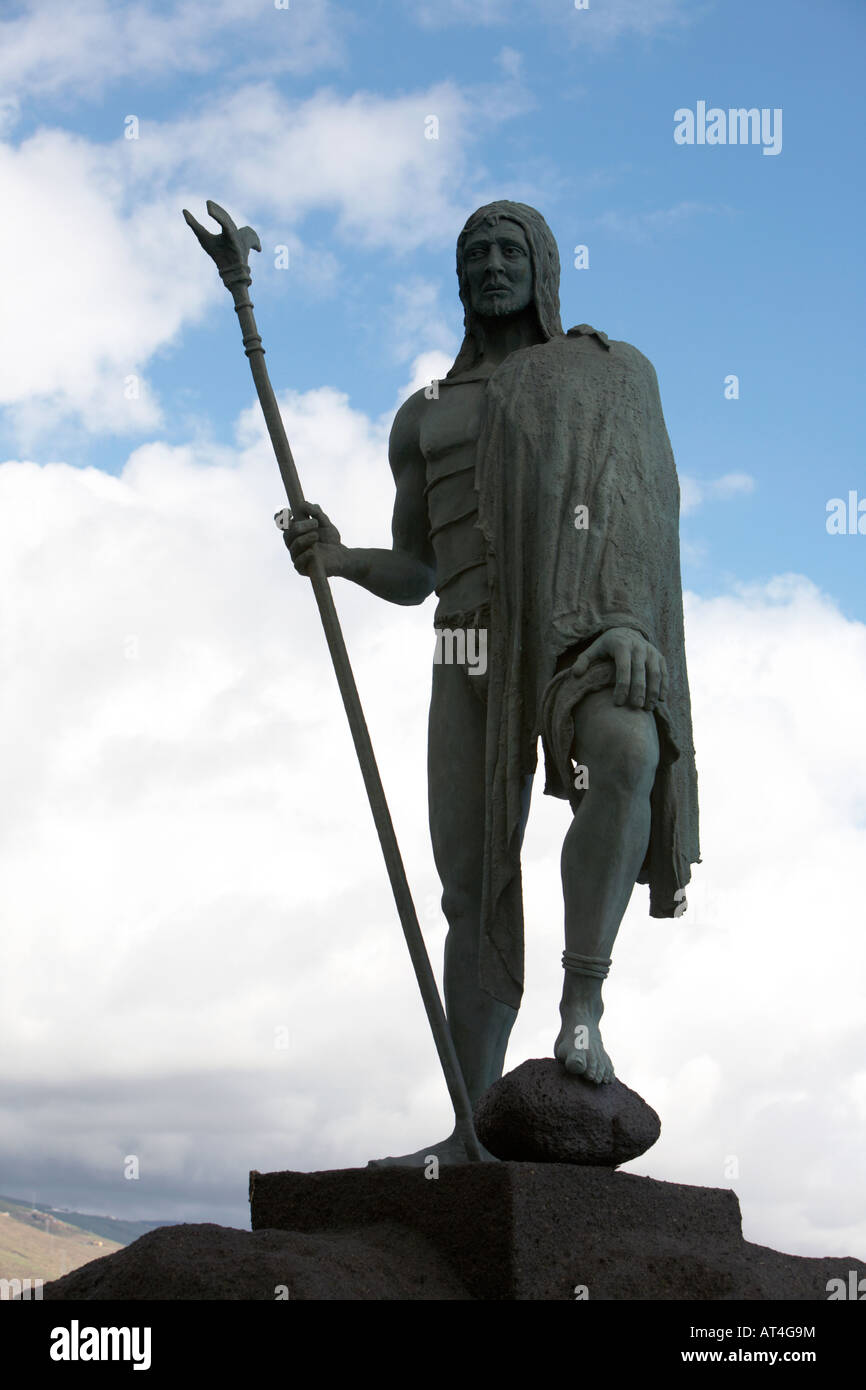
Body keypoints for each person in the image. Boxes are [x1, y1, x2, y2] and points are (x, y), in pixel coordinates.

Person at [280, 201, 700, 1166]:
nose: (493, 264)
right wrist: (339, 558)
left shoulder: (602, 376)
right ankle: (472, 1127)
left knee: (627, 747)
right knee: (472, 884)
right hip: (465, 645)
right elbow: (421, 566)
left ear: (546, 266)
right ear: (457, 277)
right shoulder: (425, 414)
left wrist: (632, 620)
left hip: (572, 635)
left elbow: (641, 510)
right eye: (476, 253)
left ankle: (583, 1000)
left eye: (512, 249)